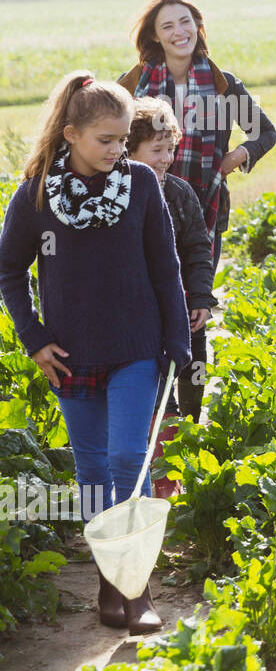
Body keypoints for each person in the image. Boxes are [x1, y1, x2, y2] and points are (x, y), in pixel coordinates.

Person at [0, 72, 191, 634]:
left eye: (121, 138)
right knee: (90, 474)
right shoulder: (36, 193)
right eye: (105, 140)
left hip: (136, 348)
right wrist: (34, 340)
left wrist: (178, 340)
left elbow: (166, 265)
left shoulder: (140, 185)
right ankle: (111, 587)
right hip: (70, 355)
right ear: (71, 134)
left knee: (129, 462)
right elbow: (9, 271)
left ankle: (136, 591)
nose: (117, 150)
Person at [118, 0, 276, 422]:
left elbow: (265, 132)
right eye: (167, 25)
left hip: (202, 213)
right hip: (140, 210)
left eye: (185, 22)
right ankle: (158, 410)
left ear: (197, 27)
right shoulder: (132, 84)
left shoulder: (222, 84)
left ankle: (190, 415)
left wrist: (236, 157)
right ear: (154, 35)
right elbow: (106, 136)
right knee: (147, 305)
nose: (178, 32)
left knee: (195, 310)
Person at [126, 97, 215, 496]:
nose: (165, 159)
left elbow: (198, 247)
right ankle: (160, 477)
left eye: (170, 150)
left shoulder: (180, 194)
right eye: (156, 150)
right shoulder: (122, 196)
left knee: (193, 374)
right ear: (130, 151)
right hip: (145, 316)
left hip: (185, 309)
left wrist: (201, 298)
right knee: (155, 389)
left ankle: (187, 447)